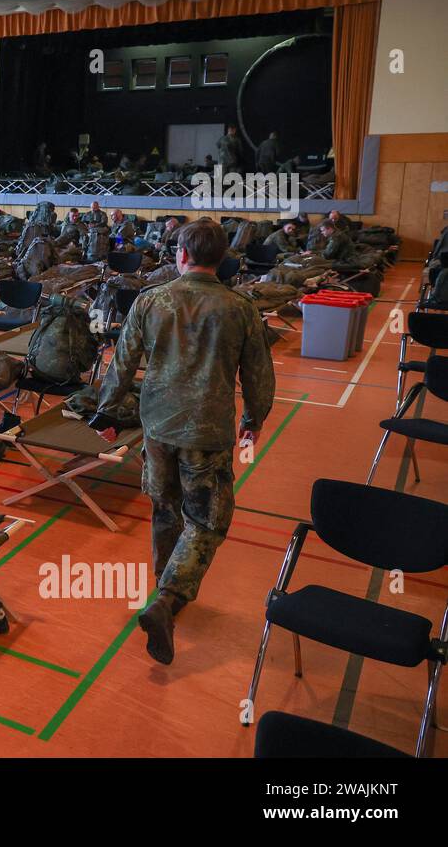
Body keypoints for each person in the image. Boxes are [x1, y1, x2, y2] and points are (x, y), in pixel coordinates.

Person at [90, 220, 275, 665]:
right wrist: (254, 418)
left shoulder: (150, 301)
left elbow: (122, 364)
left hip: (157, 426)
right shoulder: (240, 307)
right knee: (208, 521)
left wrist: (105, 410)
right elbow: (258, 374)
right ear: (222, 259)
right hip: (206, 431)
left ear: (181, 256)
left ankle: (163, 586)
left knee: (165, 507)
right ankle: (168, 599)